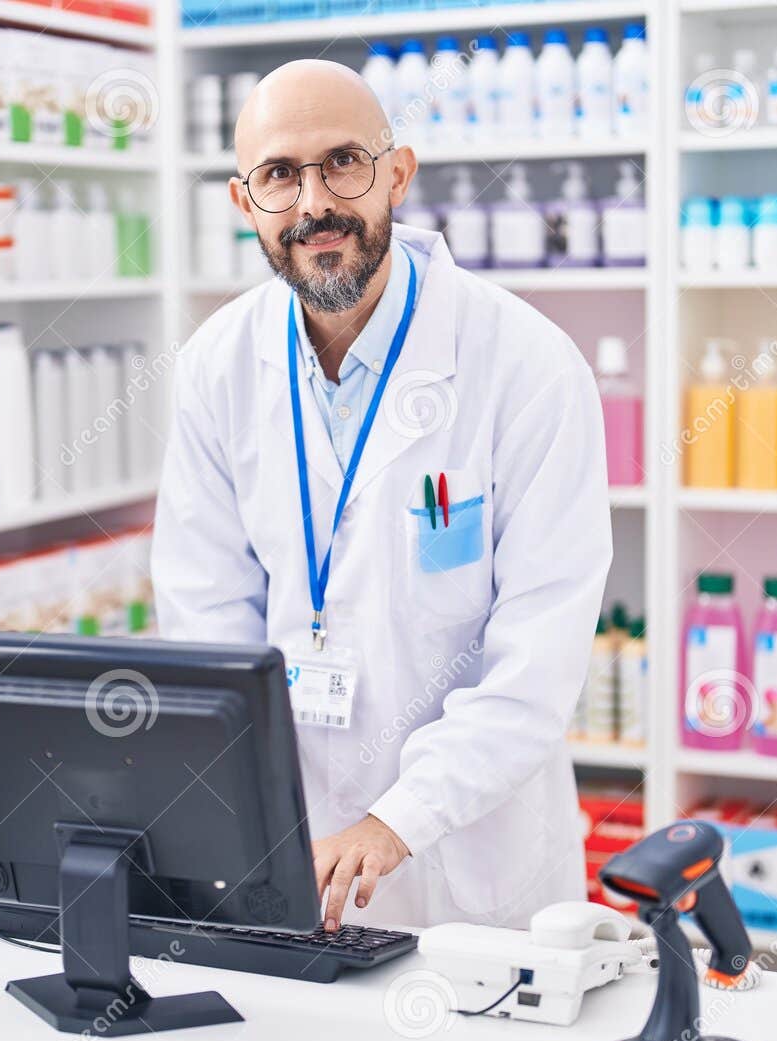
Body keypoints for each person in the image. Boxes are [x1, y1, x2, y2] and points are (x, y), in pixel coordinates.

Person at [152, 60, 612, 931]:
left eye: (344, 162)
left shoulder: (528, 366)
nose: (315, 201)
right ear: (244, 202)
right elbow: (205, 617)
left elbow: (537, 664)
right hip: (291, 848)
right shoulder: (216, 365)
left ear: (397, 174)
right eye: (280, 175)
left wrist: (398, 819)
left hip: (478, 864)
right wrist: (247, 808)